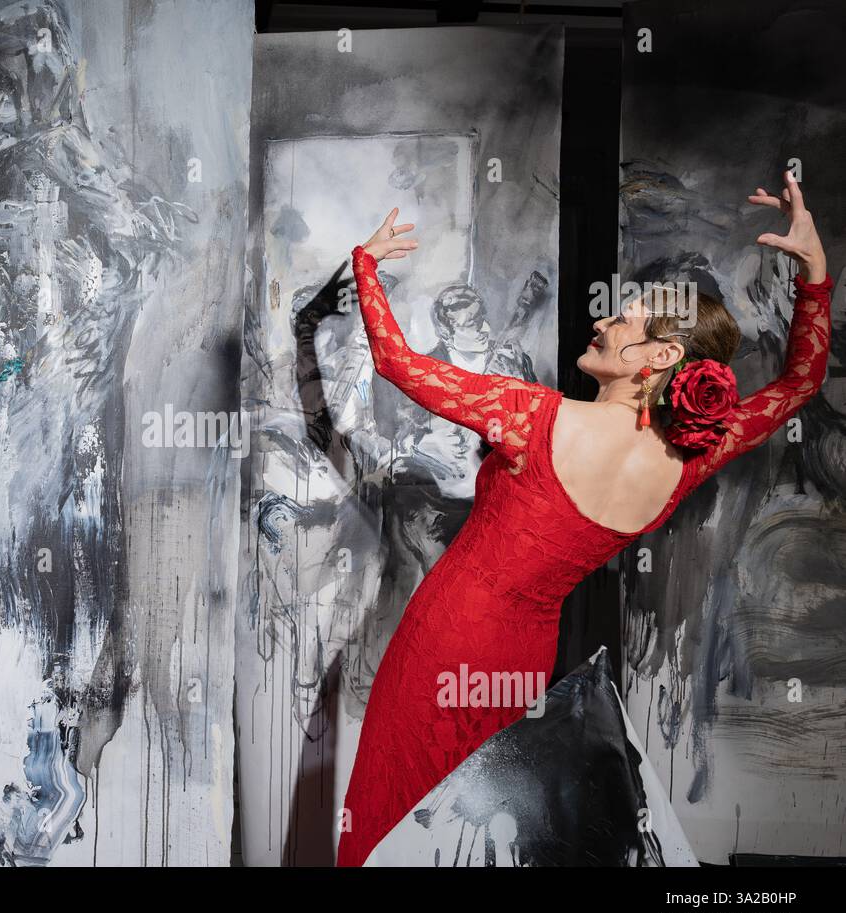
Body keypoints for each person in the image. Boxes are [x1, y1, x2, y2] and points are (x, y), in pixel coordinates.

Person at [336, 168, 832, 867]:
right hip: (524, 658)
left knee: (398, 820)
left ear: (662, 356)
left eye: (622, 319)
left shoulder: (531, 417)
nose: (602, 319)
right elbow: (802, 382)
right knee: (484, 832)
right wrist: (814, 269)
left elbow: (394, 361)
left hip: (447, 639)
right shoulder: (694, 455)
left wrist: (365, 265)